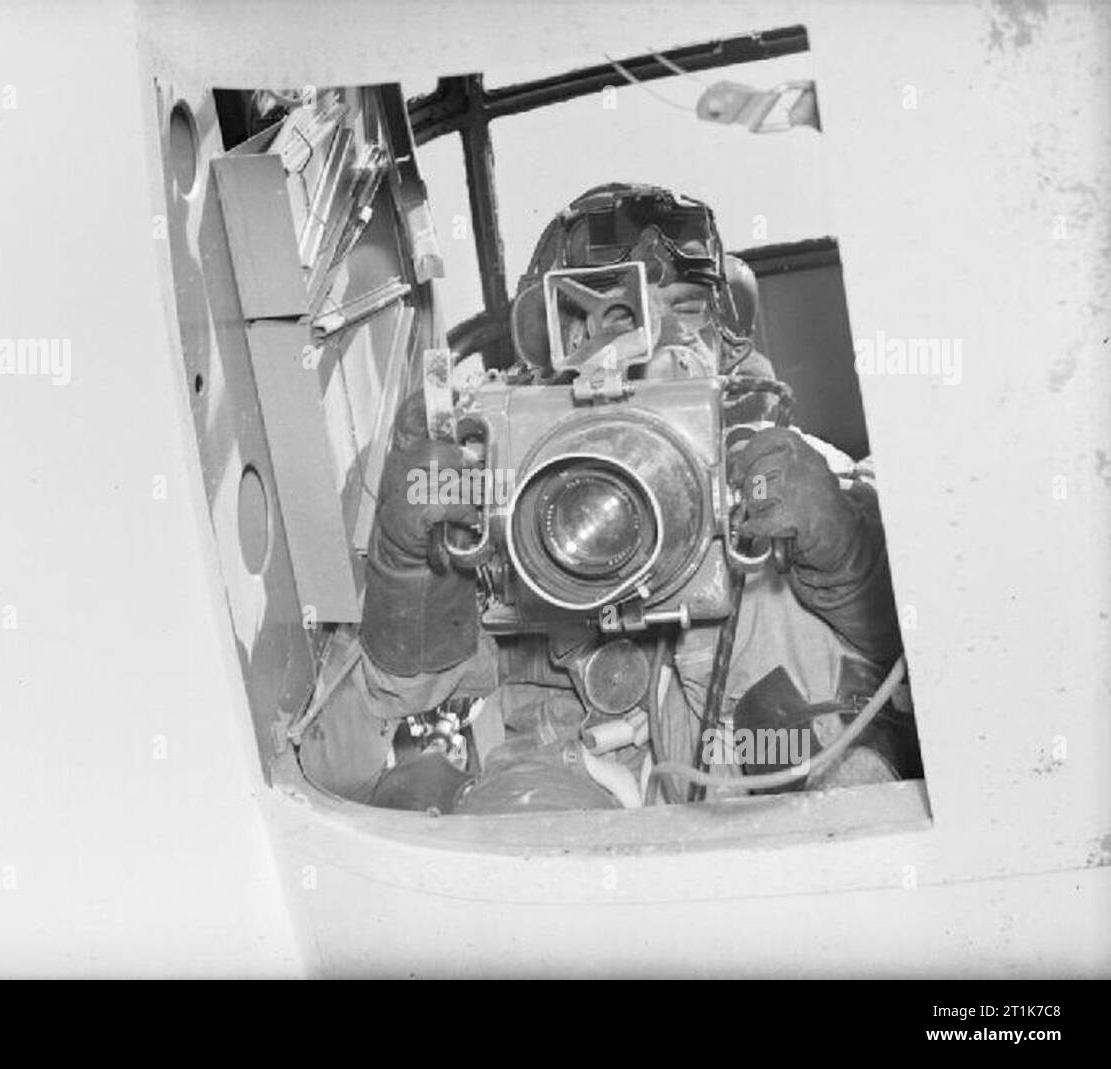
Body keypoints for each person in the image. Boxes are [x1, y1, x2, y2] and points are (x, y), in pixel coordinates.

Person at [299, 184, 919, 814]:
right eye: (611, 317)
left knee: (861, 775)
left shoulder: (801, 475)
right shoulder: (502, 495)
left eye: (685, 307)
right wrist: (414, 574)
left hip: (792, 806)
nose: (654, 342)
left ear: (726, 339)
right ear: (551, 359)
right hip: (586, 805)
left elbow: (946, 666)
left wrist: (852, 564)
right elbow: (349, 744)